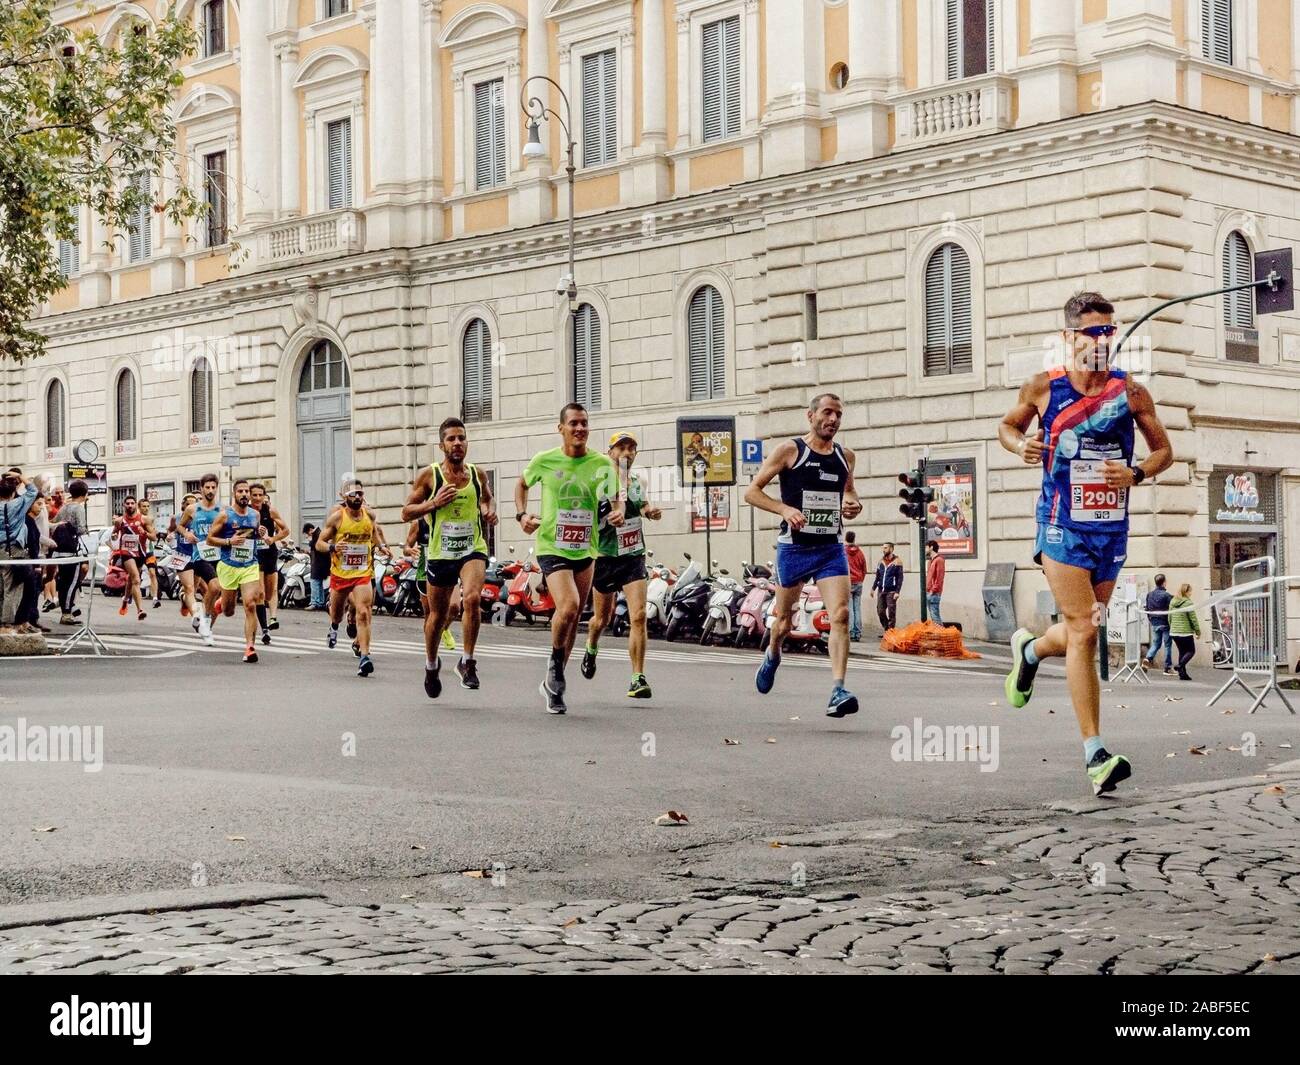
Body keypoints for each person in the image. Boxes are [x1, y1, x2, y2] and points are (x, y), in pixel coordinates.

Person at [999, 291, 1173, 796]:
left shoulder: (1131, 393)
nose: (1102, 341)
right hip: (1061, 525)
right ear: (1069, 337)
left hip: (1110, 528)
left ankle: (1030, 651)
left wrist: (1136, 472)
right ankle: (1096, 754)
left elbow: (1164, 450)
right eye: (1093, 332)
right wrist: (1021, 444)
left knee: (1080, 630)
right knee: (1085, 631)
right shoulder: (1042, 388)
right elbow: (1007, 427)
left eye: (1109, 332)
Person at [744, 392, 863, 718]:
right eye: (827, 413)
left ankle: (838, 689)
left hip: (829, 548)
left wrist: (852, 503)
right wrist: (784, 509)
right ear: (810, 417)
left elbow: (848, 492)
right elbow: (751, 492)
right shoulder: (790, 451)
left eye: (838, 414)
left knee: (840, 614)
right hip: (794, 548)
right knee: (783, 621)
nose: (833, 420)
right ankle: (773, 653)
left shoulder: (845, 456)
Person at [515, 403, 623, 714]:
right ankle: (554, 664)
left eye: (584, 424)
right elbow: (521, 484)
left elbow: (616, 495)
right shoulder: (545, 460)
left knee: (573, 617)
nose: (580, 429)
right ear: (560, 427)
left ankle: (555, 680)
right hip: (551, 545)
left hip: (585, 549)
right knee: (570, 605)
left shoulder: (601, 463)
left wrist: (616, 512)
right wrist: (522, 515)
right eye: (573, 423)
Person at [401, 418, 496, 697]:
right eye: (452, 439)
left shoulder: (478, 475)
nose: (457, 443)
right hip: (441, 552)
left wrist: (489, 511)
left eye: (462, 438)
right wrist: (433, 503)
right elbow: (406, 512)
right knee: (437, 615)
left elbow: (487, 499)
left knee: (473, 598)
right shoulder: (430, 476)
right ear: (441, 445)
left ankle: (468, 662)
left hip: (472, 547)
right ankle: (431, 665)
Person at [582, 430, 663, 699]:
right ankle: (592, 645)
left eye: (631, 448)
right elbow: (588, 516)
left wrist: (651, 511)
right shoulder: (599, 482)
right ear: (610, 453)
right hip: (605, 556)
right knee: (601, 619)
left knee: (638, 616)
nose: (627, 453)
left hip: (632, 555)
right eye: (621, 448)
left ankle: (637, 678)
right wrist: (607, 518)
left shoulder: (637, 481)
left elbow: (643, 506)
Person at [318, 478, 384, 677]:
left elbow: (373, 533)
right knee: (337, 613)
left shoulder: (369, 515)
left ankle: (364, 657)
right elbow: (319, 543)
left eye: (360, 494)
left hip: (362, 572)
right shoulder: (337, 518)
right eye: (353, 494)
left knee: (364, 612)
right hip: (340, 574)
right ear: (344, 497)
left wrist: (381, 547)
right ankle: (334, 626)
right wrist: (332, 547)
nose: (357, 497)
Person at [205, 478, 268, 664]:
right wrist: (228, 542)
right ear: (235, 494)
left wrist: (261, 534)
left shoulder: (255, 515)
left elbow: (254, 536)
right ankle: (221, 604)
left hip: (249, 564)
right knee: (228, 610)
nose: (244, 495)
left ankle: (249, 648)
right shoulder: (225, 515)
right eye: (240, 491)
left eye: (246, 491)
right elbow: (210, 539)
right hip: (228, 565)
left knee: (250, 604)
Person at [178, 474, 222, 645]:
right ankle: (204, 620)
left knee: (219, 596)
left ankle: (206, 624)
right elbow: (181, 526)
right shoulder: (192, 510)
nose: (210, 491)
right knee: (214, 586)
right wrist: (187, 533)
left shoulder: (222, 510)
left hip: (219, 554)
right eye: (207, 487)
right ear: (202, 488)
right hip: (201, 555)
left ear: (217, 488)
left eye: (213, 487)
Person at [0, 471, 47, 631]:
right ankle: (6, 623)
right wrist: (21, 478)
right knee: (12, 587)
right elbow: (33, 491)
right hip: (14, 549)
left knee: (2, 586)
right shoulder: (17, 505)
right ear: (13, 491)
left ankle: (11, 621)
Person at [249, 483, 289, 643]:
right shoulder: (246, 512)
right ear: (250, 496)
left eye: (260, 495)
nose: (258, 498)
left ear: (264, 496)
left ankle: (273, 617)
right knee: (259, 592)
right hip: (254, 553)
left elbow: (285, 530)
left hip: (270, 552)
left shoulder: (270, 510)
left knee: (271, 589)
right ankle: (265, 629)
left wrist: (272, 539)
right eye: (255, 495)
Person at [50, 479, 90, 625]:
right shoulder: (78, 508)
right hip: (73, 551)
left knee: (63, 582)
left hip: (60, 550)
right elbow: (81, 529)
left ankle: (65, 609)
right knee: (72, 583)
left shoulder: (64, 508)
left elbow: (54, 523)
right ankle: (66, 613)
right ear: (85, 494)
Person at [110, 495, 154, 621]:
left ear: (136, 505)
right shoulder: (119, 521)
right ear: (124, 505)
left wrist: (144, 532)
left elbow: (154, 537)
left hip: (140, 553)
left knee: (131, 579)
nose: (130, 505)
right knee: (136, 578)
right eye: (127, 503)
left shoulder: (144, 520)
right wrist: (114, 537)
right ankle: (140, 610)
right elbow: (114, 533)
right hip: (126, 553)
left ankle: (125, 599)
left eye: (132, 503)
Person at [1142, 573, 1174, 675]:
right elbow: (1171, 609)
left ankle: (1147, 659)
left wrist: (1151, 620)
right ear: (1164, 583)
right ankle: (1167, 668)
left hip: (1155, 622)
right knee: (1168, 645)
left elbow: (1147, 609)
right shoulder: (1167, 596)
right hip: (1165, 623)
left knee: (1156, 643)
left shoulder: (1149, 595)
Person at [1169, 582, 1200, 681]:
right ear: (1186, 592)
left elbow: (1169, 616)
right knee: (1191, 651)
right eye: (1190, 591)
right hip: (1185, 632)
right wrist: (1197, 631)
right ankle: (1180, 665)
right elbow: (1193, 619)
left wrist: (1172, 627)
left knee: (1182, 652)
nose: (1191, 593)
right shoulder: (1188, 603)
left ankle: (1183, 675)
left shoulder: (1173, 601)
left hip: (1174, 632)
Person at [136, 498, 163, 610]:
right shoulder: (136, 519)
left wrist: (152, 533)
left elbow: (153, 535)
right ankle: (131, 595)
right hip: (137, 551)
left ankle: (155, 598)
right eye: (144, 506)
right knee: (135, 575)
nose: (146, 508)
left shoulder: (150, 519)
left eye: (148, 506)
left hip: (149, 551)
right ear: (139, 507)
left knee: (152, 573)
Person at [870, 543, 903, 632]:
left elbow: (900, 578)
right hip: (881, 590)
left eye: (885, 548)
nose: (883, 550)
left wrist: (897, 592)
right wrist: (873, 588)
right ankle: (887, 628)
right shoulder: (881, 561)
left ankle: (891, 631)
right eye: (883, 548)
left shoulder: (897, 562)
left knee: (891, 612)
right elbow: (878, 576)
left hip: (891, 591)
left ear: (891, 549)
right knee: (880, 611)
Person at [845, 530, 866, 641]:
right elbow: (864, 569)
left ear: (846, 538)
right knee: (857, 608)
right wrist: (861, 580)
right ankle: (857, 632)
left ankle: (851, 632)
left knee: (850, 608)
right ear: (854, 538)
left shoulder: (844, 552)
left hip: (848, 582)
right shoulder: (860, 552)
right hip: (858, 582)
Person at [304, 522, 330, 610]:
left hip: (318, 564)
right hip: (320, 563)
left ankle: (315, 602)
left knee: (314, 583)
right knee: (318, 584)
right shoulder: (320, 533)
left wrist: (310, 539)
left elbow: (314, 546)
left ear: (310, 530)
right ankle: (320, 602)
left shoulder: (317, 535)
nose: (307, 536)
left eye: (307, 534)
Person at [925, 540, 945, 627]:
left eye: (926, 547)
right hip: (929, 592)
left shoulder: (939, 560)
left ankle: (942, 636)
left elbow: (939, 578)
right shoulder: (930, 561)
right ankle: (940, 635)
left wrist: (933, 591)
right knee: (933, 617)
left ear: (931, 547)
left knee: (935, 617)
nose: (925, 550)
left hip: (934, 593)